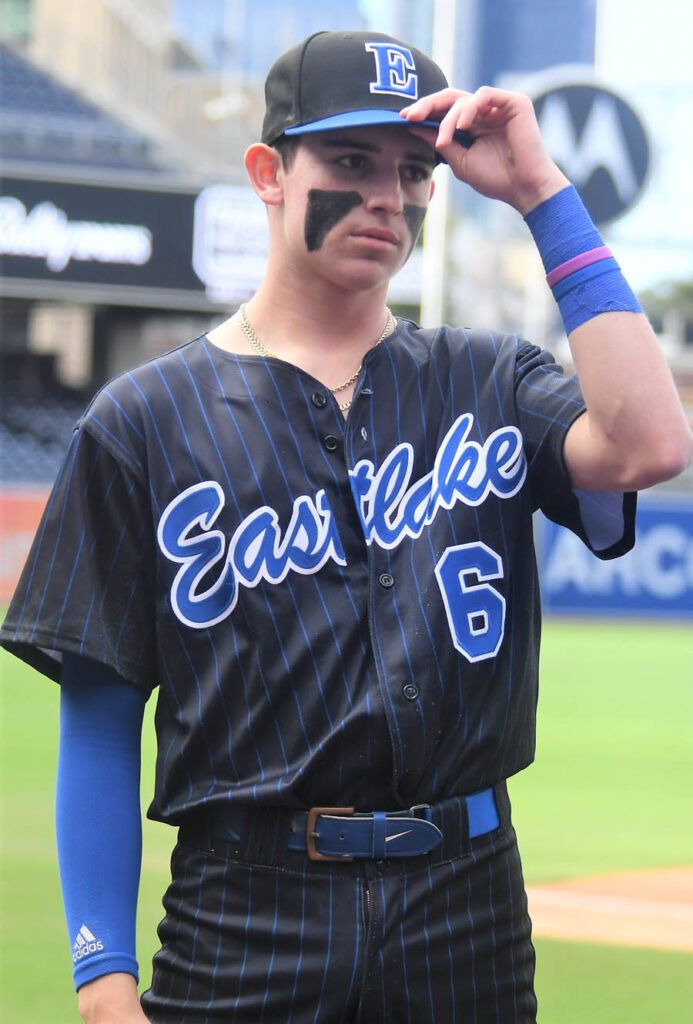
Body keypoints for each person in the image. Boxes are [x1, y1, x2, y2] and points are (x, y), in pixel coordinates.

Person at [1, 29, 691, 1024]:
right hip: (244, 910)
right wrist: (102, 978)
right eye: (350, 161)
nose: (388, 196)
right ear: (269, 173)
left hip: (466, 903)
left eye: (414, 170)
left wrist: (544, 194)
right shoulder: (142, 421)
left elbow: (648, 445)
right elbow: (101, 715)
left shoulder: (489, 379)